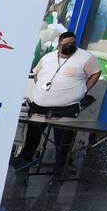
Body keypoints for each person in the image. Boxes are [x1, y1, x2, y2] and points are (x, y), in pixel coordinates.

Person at [13, 30, 101, 177]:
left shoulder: (85, 57)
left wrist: (85, 88)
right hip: (40, 105)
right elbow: (36, 73)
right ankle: (24, 160)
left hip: (66, 108)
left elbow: (96, 73)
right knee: (33, 134)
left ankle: (61, 166)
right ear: (59, 45)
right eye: (67, 44)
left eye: (73, 43)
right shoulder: (48, 57)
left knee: (63, 138)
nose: (70, 46)